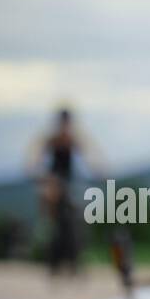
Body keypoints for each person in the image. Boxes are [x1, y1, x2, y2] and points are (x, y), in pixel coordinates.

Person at [27, 106, 105, 277]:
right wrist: (35, 170)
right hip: (54, 179)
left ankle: (77, 257)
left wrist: (99, 170)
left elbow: (91, 154)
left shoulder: (74, 139)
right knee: (49, 202)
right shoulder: (52, 139)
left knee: (80, 212)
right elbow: (35, 155)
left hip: (70, 180)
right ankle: (46, 230)